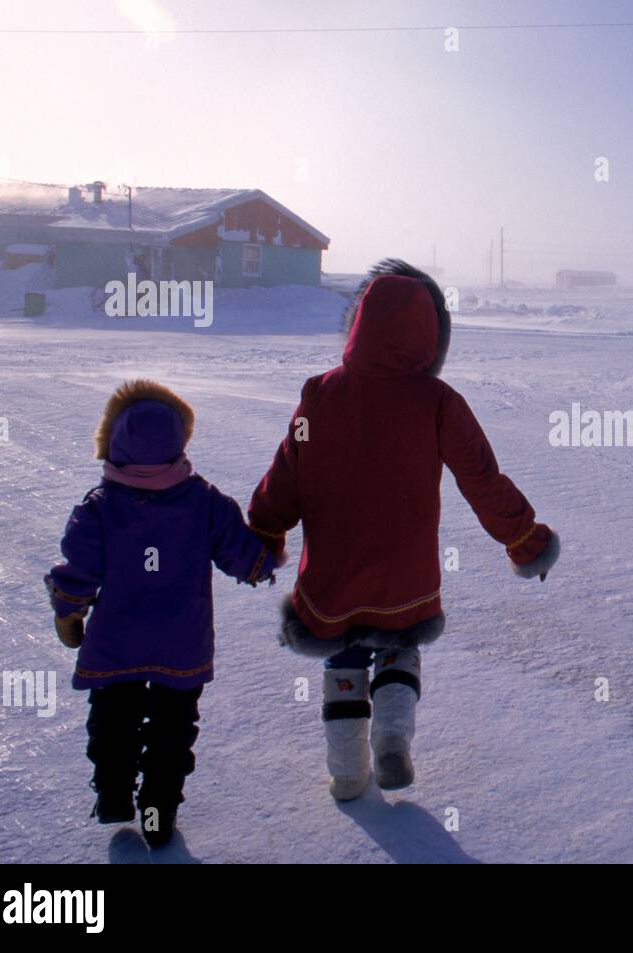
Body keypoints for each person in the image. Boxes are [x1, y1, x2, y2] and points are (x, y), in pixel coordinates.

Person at [248, 259, 559, 800]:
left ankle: (347, 772)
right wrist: (523, 539)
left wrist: (264, 531)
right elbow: (482, 479)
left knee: (343, 657)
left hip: (331, 575)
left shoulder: (318, 395)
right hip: (405, 574)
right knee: (398, 648)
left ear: (360, 324)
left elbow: (287, 469)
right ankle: (393, 737)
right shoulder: (438, 402)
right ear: (430, 335)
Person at [45, 380, 278, 847]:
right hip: (181, 640)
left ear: (114, 443)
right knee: (173, 729)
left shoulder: (100, 508)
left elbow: (79, 566)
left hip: (117, 641)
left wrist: (69, 612)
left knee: (113, 716)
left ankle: (113, 792)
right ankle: (157, 812)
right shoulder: (205, 501)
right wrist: (264, 558)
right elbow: (242, 554)